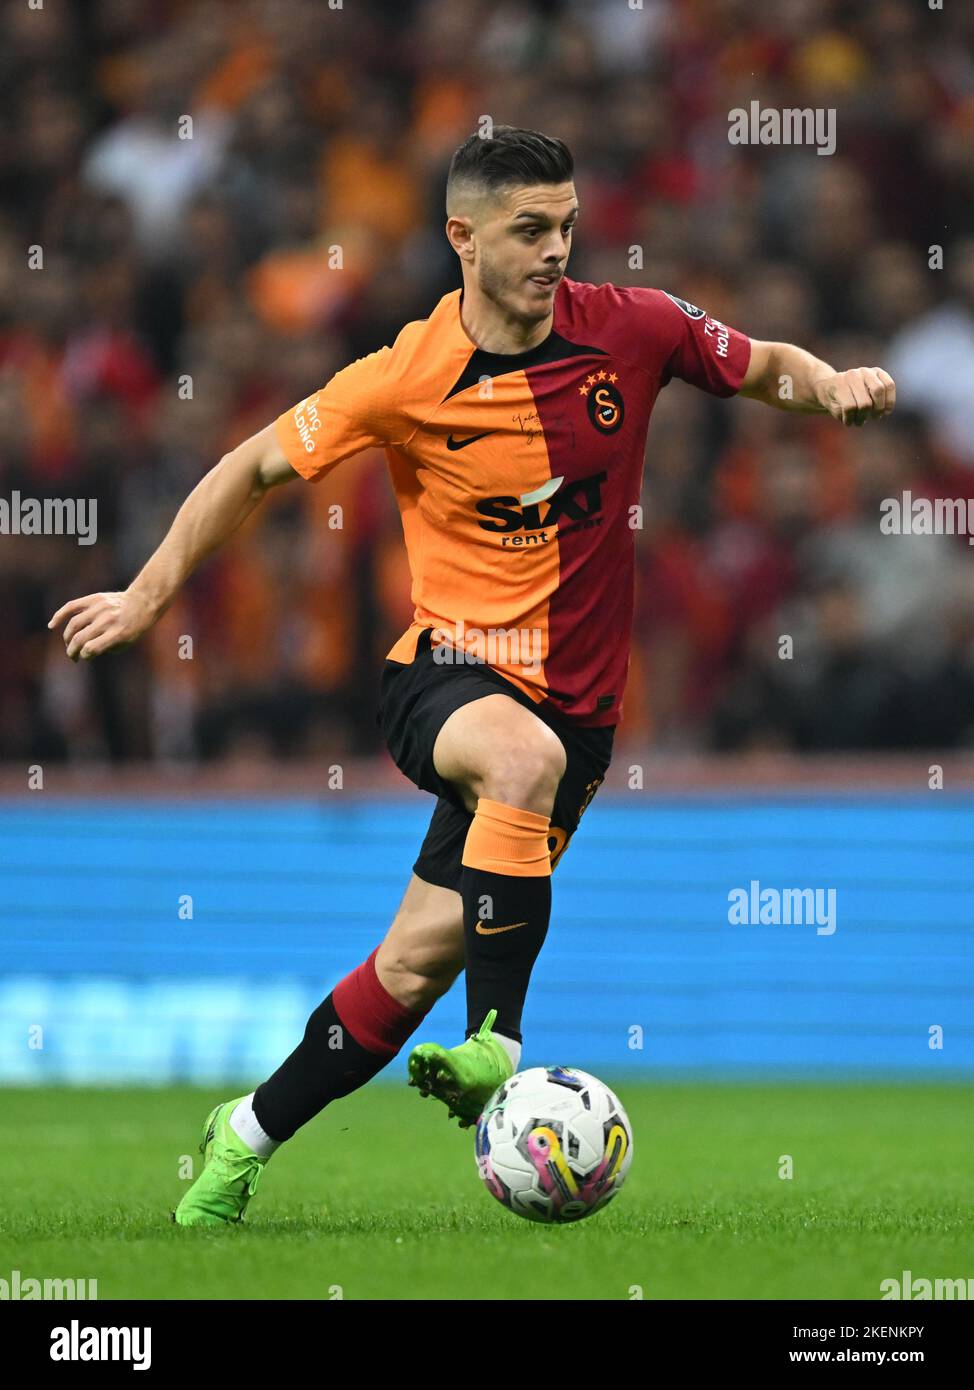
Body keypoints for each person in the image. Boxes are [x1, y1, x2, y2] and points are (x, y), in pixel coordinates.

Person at [48, 126, 897, 1226]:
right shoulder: (405, 377)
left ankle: (241, 1135)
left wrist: (831, 386)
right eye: (528, 230)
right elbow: (249, 464)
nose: (556, 250)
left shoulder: (630, 329)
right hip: (441, 677)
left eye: (566, 227)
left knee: (405, 969)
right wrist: (149, 596)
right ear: (461, 237)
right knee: (515, 754)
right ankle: (500, 1041)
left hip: (579, 721)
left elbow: (757, 363)